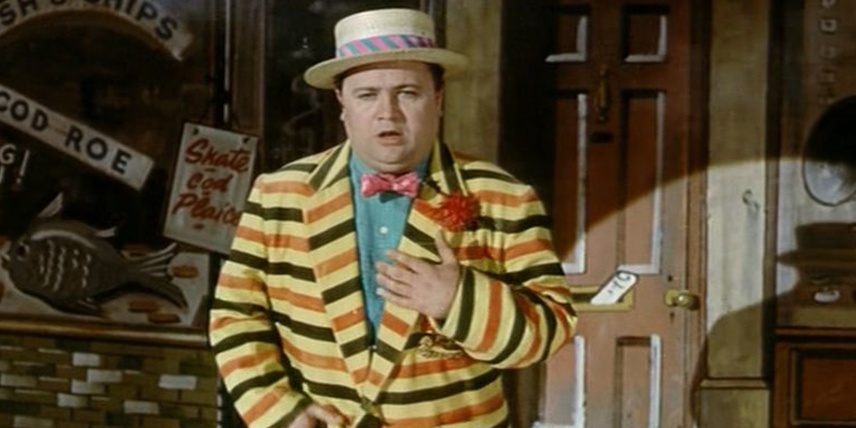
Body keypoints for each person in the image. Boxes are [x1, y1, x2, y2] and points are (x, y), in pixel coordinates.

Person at [209, 8, 576, 428]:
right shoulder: (280, 194)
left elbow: (552, 328)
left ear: (438, 99)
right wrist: (281, 410)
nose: (388, 113)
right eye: (367, 95)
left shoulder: (503, 197)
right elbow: (235, 315)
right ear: (342, 103)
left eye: (408, 93)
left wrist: (458, 300)